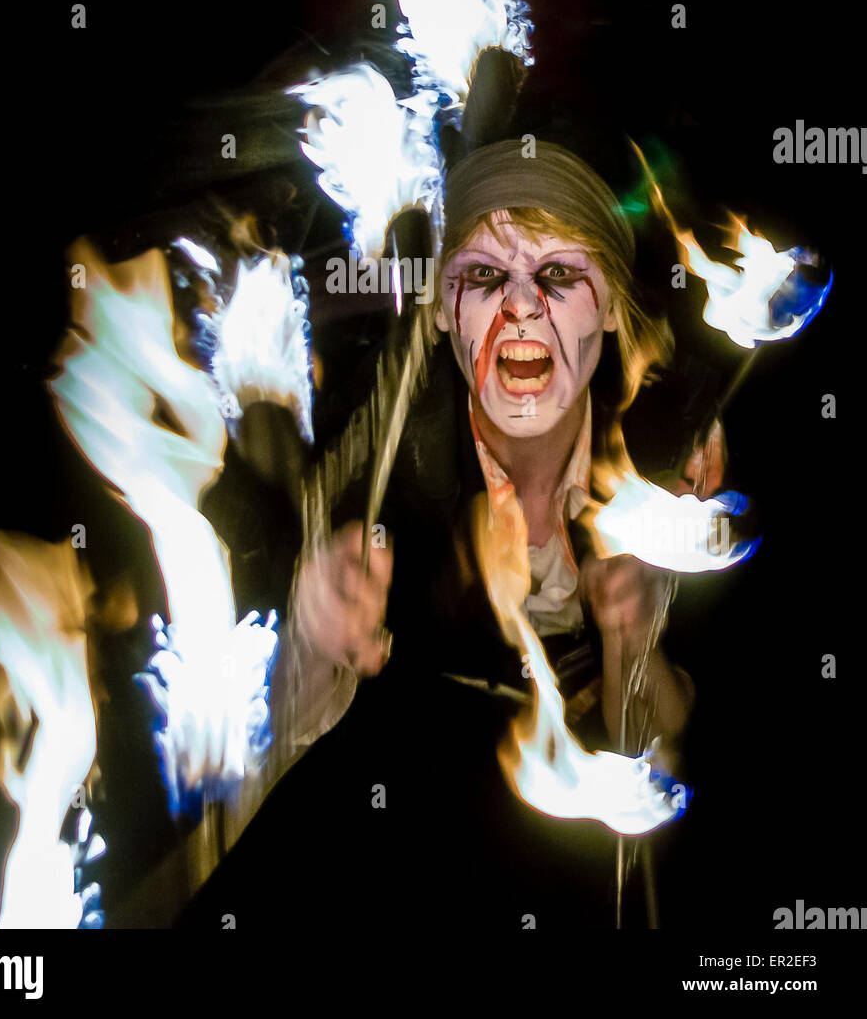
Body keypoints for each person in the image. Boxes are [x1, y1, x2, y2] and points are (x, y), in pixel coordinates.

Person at [183, 139, 725, 930]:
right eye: (482, 277)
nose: (520, 307)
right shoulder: (375, 464)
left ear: (609, 306)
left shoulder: (673, 470)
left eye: (559, 275)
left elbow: (663, 772)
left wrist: (631, 639)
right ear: (443, 310)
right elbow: (269, 756)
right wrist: (310, 637)